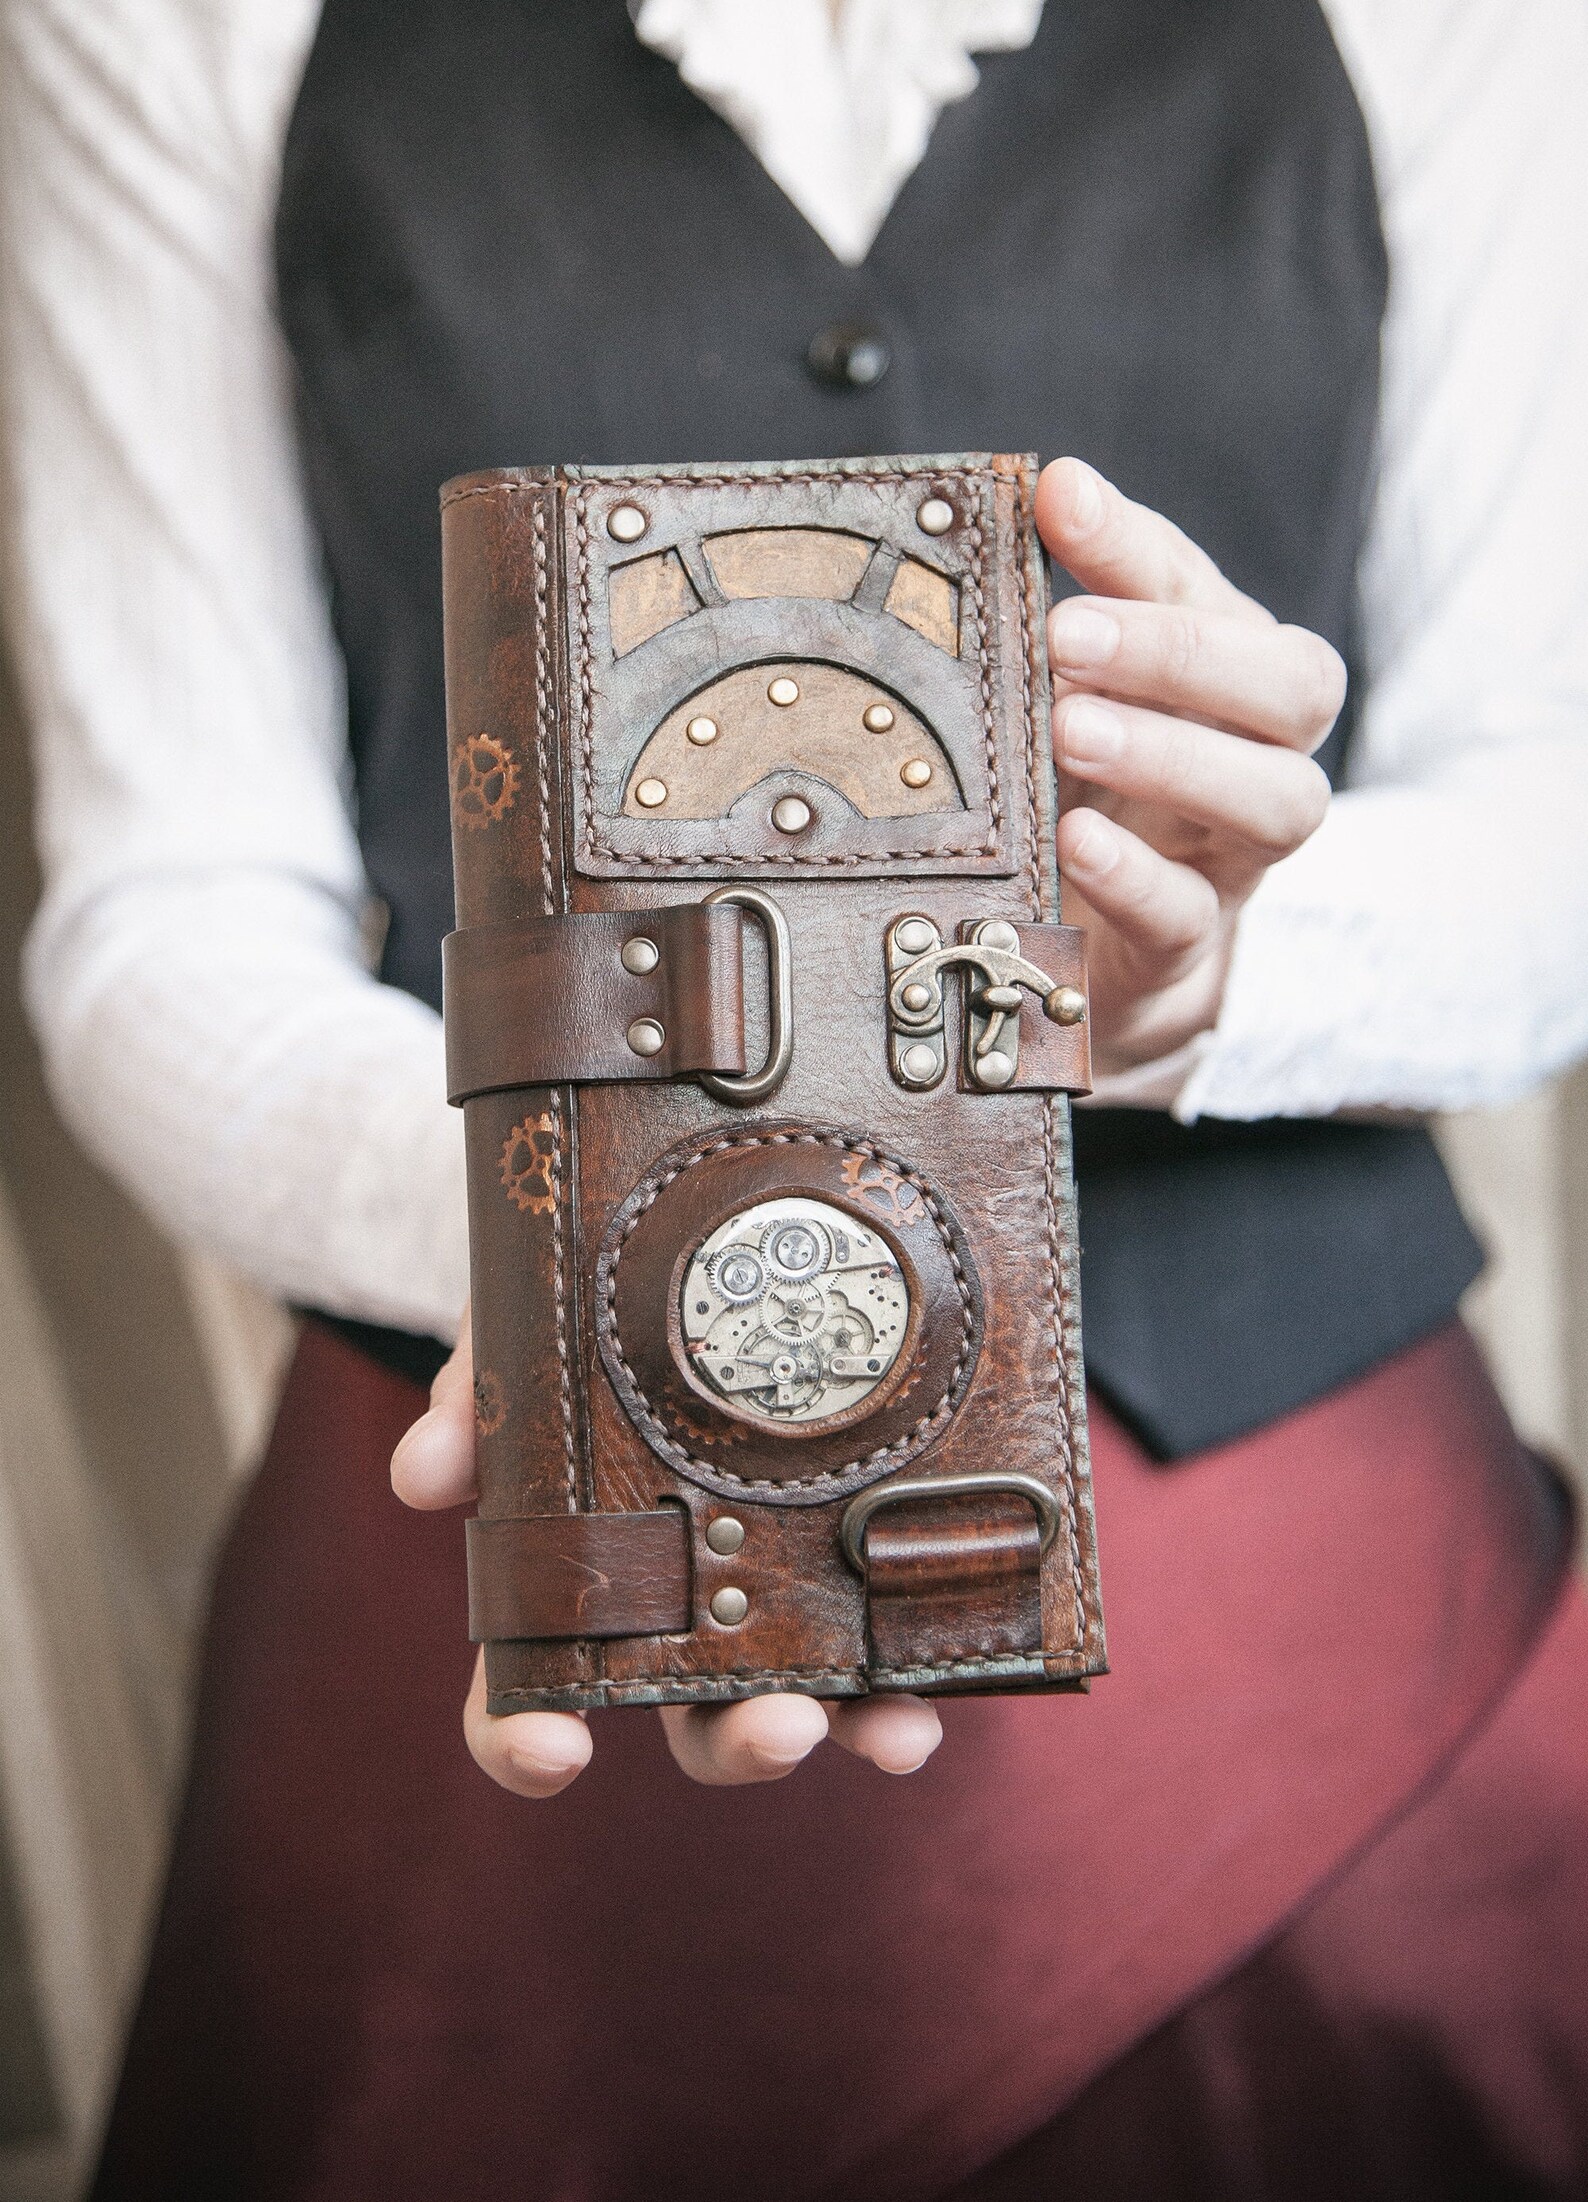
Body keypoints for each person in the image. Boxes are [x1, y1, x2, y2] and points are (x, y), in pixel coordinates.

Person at [2, 1, 1586, 2194]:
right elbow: (160, 911)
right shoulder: (159, 25)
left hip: (1301, 1591)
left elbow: (1549, 817)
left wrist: (1201, 969)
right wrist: (529, 1246)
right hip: (513, 1546)